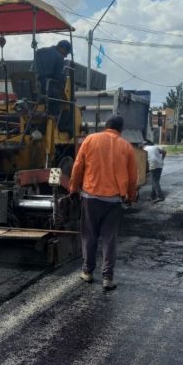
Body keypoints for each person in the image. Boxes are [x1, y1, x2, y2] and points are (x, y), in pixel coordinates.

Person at [69, 114, 138, 290]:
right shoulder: (126, 146)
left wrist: (73, 188)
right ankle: (107, 277)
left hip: (90, 197)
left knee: (89, 236)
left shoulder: (90, 139)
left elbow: (78, 166)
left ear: (105, 125)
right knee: (109, 238)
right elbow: (132, 178)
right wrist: (130, 196)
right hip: (113, 200)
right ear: (121, 129)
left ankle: (87, 271)